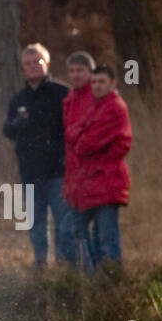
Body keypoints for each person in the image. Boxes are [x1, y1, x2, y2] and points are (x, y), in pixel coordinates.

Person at [2, 44, 72, 268]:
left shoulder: (62, 93)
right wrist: (18, 123)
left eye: (37, 61)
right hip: (30, 172)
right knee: (36, 223)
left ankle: (63, 264)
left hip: (59, 170)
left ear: (47, 64)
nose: (33, 67)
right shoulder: (19, 99)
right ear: (23, 68)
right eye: (28, 63)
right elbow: (8, 130)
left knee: (64, 221)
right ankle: (40, 263)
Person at [64, 64, 132, 269]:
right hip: (92, 182)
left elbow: (85, 144)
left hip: (106, 181)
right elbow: (71, 134)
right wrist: (81, 135)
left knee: (105, 238)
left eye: (102, 82)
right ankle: (93, 281)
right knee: (81, 232)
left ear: (113, 83)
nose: (96, 86)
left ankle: (108, 283)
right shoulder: (96, 106)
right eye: (93, 82)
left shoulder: (113, 107)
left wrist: (81, 136)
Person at [60, 51, 98, 268]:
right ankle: (85, 281)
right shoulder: (70, 100)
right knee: (73, 231)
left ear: (90, 72)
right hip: (75, 177)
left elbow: (87, 136)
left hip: (96, 177)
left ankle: (95, 281)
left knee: (79, 230)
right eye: (72, 71)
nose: (75, 75)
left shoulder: (97, 97)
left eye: (80, 70)